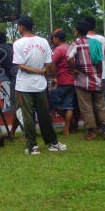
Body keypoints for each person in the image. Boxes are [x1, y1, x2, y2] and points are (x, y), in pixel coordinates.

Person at [12, 17, 65, 155]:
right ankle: (52, 143)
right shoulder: (43, 41)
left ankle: (32, 146)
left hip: (24, 85)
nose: (18, 28)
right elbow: (49, 63)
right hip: (40, 84)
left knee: (28, 116)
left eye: (18, 26)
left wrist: (38, 71)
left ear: (22, 27)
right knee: (44, 115)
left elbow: (20, 66)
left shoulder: (18, 43)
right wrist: (43, 72)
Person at [67, 19, 105, 141]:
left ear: (77, 31)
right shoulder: (96, 43)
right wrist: (99, 75)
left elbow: (69, 58)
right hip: (97, 79)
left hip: (82, 81)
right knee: (101, 105)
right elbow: (100, 61)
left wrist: (73, 69)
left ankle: (91, 132)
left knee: (86, 107)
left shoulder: (76, 44)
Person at [50, 30, 75, 136]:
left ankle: (68, 125)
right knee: (69, 106)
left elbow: (51, 64)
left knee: (55, 103)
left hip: (62, 80)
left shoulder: (59, 50)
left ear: (57, 38)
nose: (53, 40)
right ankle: (67, 129)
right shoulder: (70, 48)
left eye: (54, 38)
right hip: (71, 80)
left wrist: (54, 77)